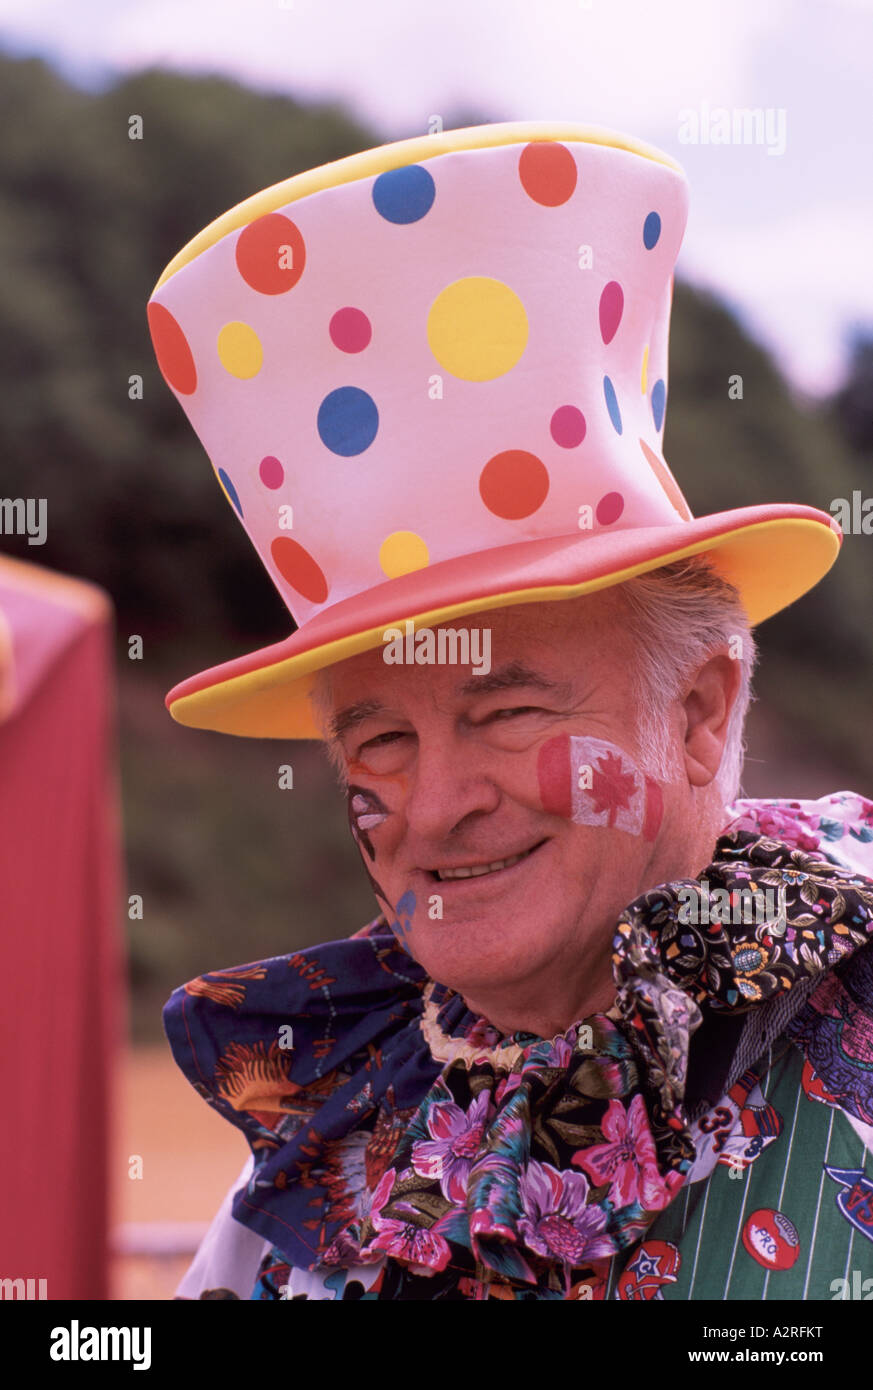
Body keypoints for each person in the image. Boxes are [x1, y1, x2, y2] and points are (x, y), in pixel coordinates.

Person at [147, 120, 873, 1300]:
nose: (434, 807)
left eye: (507, 714)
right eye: (379, 739)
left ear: (697, 710)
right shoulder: (312, 1153)